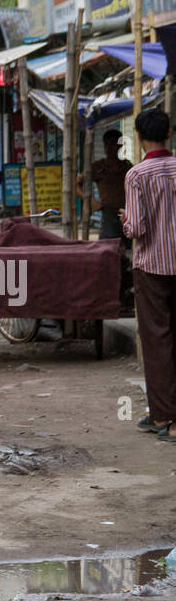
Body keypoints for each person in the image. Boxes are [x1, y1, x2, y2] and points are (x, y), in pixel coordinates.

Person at [123, 108, 176, 440]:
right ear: (168, 135)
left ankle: (163, 417)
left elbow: (137, 228)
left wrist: (125, 220)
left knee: (157, 342)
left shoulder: (137, 175)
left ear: (140, 138)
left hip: (153, 268)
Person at [79, 128, 132, 239]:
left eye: (113, 144)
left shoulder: (127, 167)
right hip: (108, 214)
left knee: (128, 249)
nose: (109, 148)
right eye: (106, 144)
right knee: (107, 248)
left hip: (127, 214)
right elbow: (76, 185)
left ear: (120, 145)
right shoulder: (97, 167)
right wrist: (90, 200)